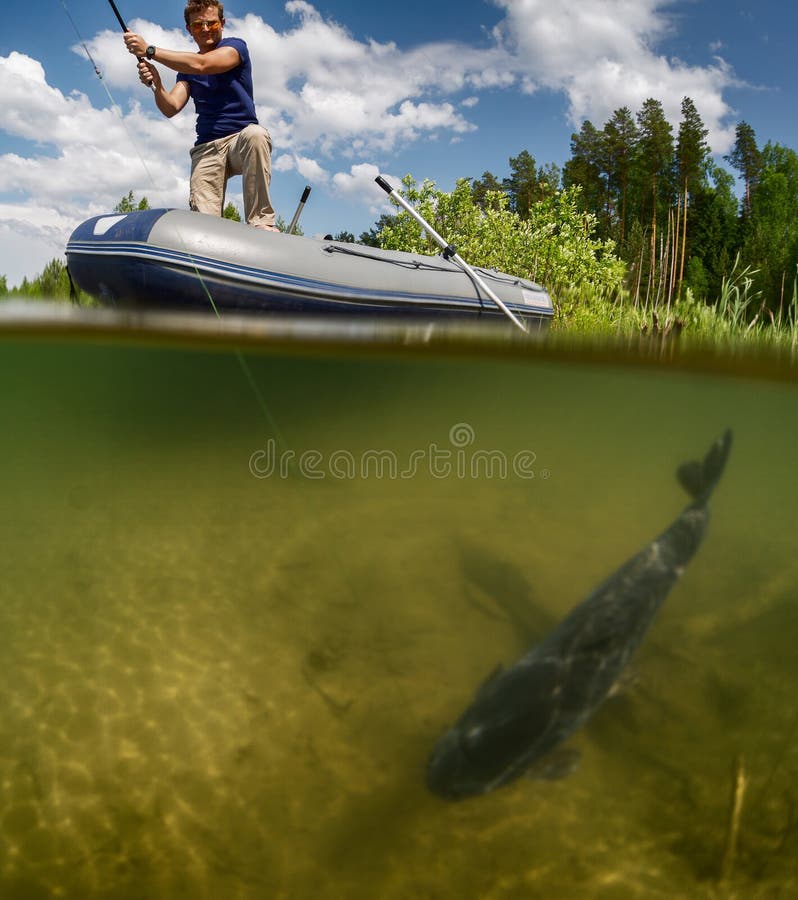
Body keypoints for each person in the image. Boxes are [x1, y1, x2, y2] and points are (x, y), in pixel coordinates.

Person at [124, 0, 276, 230]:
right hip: (206, 149)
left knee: (256, 135)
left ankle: (261, 223)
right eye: (198, 25)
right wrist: (157, 84)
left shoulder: (236, 47)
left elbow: (203, 64)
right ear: (189, 29)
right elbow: (170, 107)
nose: (205, 29)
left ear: (222, 23)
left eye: (212, 23)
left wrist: (150, 51)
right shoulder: (186, 72)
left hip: (240, 141)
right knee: (206, 227)